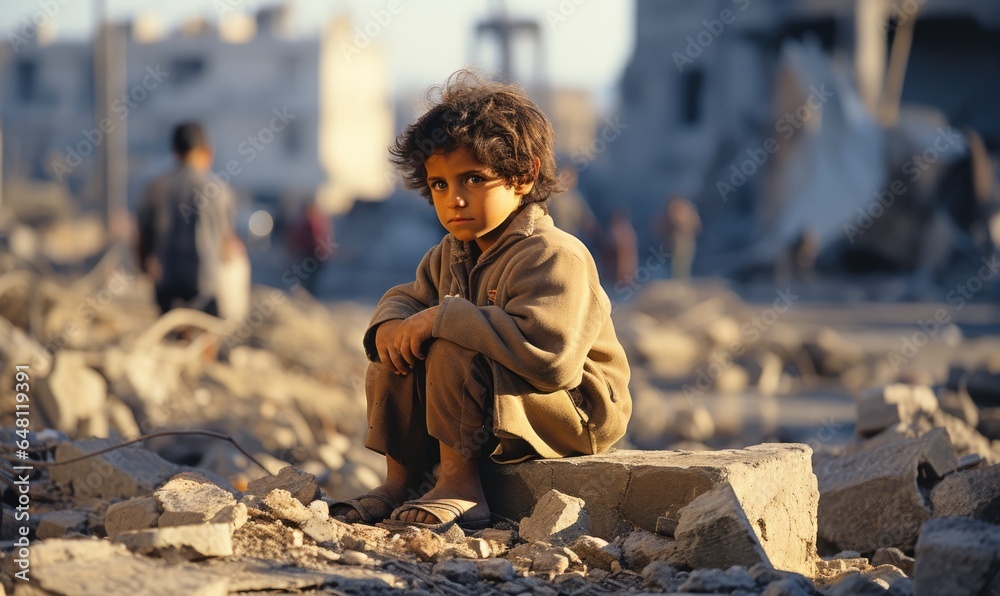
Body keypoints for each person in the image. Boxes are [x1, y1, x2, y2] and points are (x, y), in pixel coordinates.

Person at [329, 71, 632, 531]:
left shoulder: (554, 255)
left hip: (575, 408)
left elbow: (551, 360)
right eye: (439, 185)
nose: (455, 200)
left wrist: (444, 320)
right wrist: (393, 326)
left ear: (523, 175)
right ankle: (399, 482)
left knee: (451, 339)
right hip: (510, 398)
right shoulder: (450, 254)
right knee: (398, 348)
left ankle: (460, 485)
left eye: (473, 179)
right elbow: (408, 300)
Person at [137, 122, 237, 317]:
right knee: (205, 341)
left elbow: (142, 240)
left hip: (166, 287)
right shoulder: (221, 191)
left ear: (174, 151)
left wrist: (145, 268)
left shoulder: (156, 188)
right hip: (205, 287)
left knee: (169, 341)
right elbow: (227, 248)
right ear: (207, 151)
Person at [654, 195, 701, 281]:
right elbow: (660, 228)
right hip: (673, 243)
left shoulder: (686, 212)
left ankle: (681, 280)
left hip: (685, 242)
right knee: (674, 263)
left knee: (682, 262)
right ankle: (675, 280)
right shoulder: (669, 214)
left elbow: (696, 226)